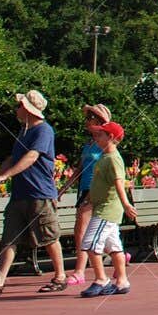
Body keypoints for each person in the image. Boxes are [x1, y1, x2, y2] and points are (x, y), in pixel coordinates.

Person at [0, 90, 67, 296]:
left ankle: (60, 276)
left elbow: (32, 156)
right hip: (20, 194)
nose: (16, 109)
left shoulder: (44, 130)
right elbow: (12, 159)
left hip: (39, 194)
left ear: (28, 110)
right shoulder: (24, 131)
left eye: (19, 106)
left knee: (48, 236)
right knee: (10, 237)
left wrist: (7, 175)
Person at [79, 120, 136, 297]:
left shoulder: (113, 159)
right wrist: (88, 199)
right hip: (102, 208)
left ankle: (101, 280)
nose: (96, 138)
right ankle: (122, 281)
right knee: (113, 246)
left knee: (89, 243)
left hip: (107, 210)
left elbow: (118, 183)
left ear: (111, 137)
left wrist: (126, 204)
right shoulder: (104, 157)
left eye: (100, 135)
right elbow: (98, 183)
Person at [65, 103, 112, 287]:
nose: (86, 121)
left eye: (90, 118)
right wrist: (64, 188)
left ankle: (80, 271)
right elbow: (80, 168)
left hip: (97, 189)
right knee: (97, 229)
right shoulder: (89, 143)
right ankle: (119, 254)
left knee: (81, 228)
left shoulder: (106, 143)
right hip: (85, 189)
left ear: (99, 121)